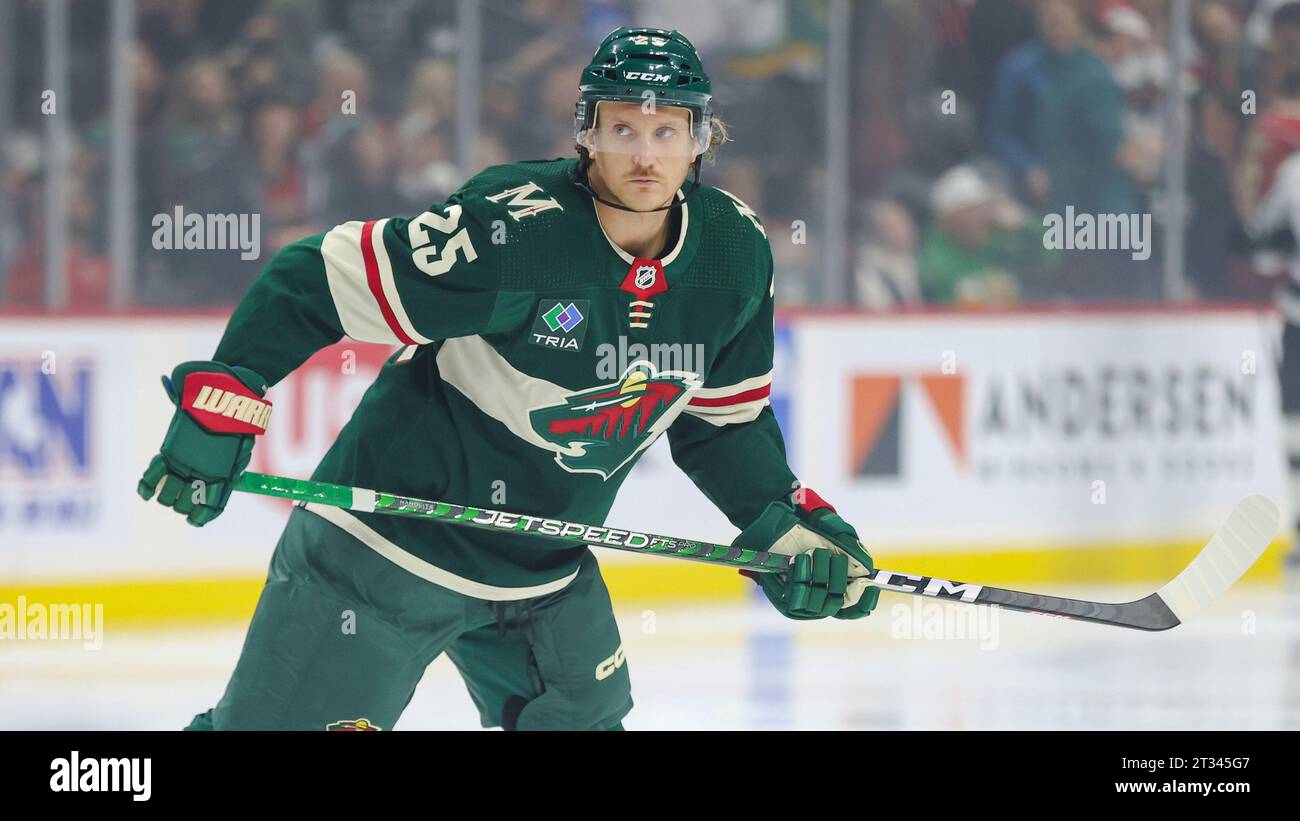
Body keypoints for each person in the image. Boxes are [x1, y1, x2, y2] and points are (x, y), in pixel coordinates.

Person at [137, 27, 880, 732]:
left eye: (666, 132)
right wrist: (229, 393)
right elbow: (314, 279)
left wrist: (783, 519)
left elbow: (722, 424)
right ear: (587, 133)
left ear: (700, 140)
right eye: (623, 129)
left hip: (542, 574)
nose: (645, 155)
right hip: (384, 548)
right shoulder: (513, 231)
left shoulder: (734, 255)